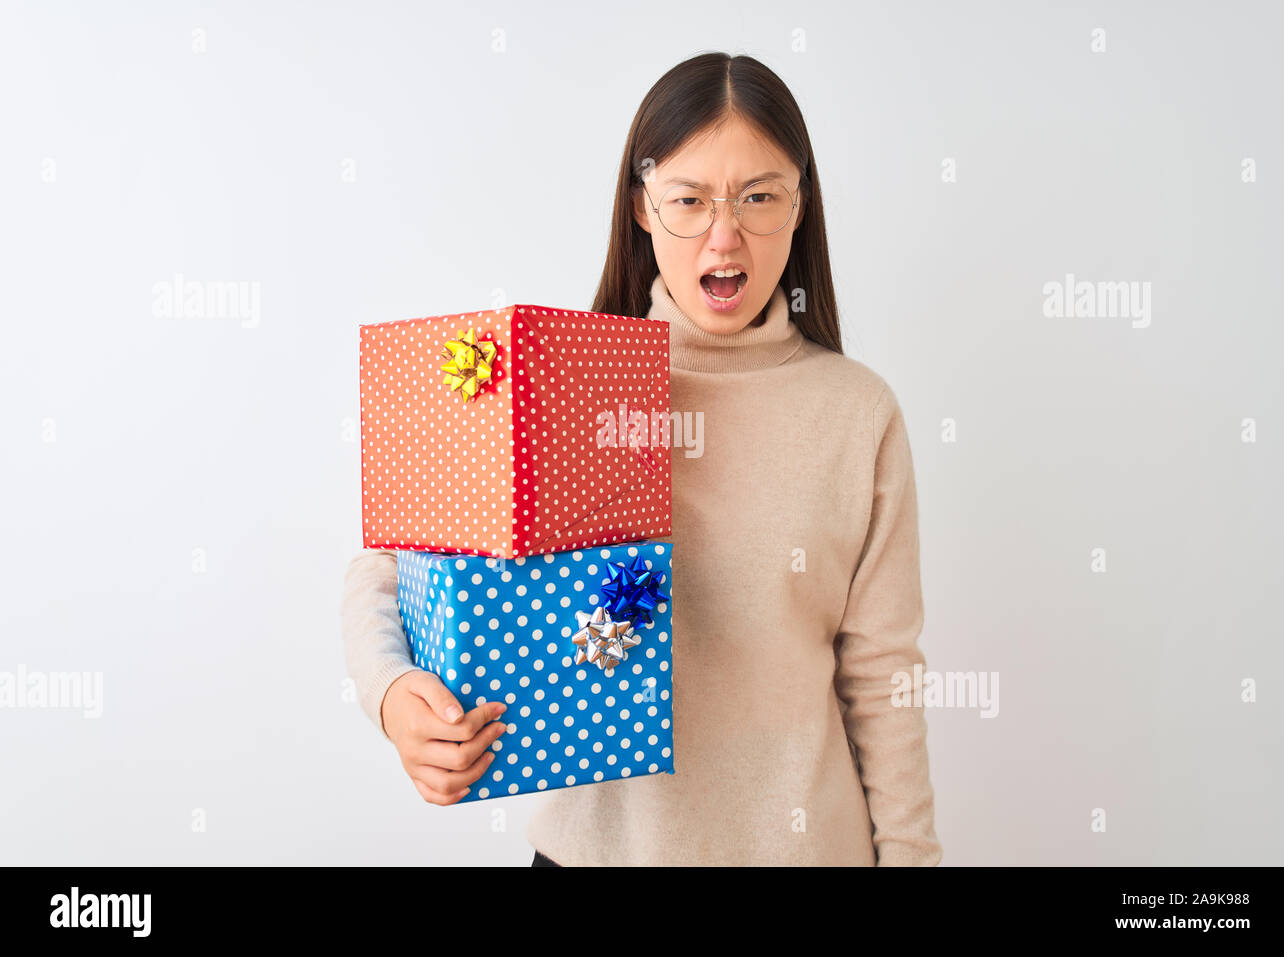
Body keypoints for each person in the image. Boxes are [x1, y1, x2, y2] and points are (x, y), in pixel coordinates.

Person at [341, 51, 942, 867]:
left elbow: (882, 678)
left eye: (760, 197)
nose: (724, 234)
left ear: (800, 207)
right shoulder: (563, 379)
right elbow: (390, 562)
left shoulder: (858, 412)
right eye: (689, 200)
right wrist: (391, 693)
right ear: (643, 210)